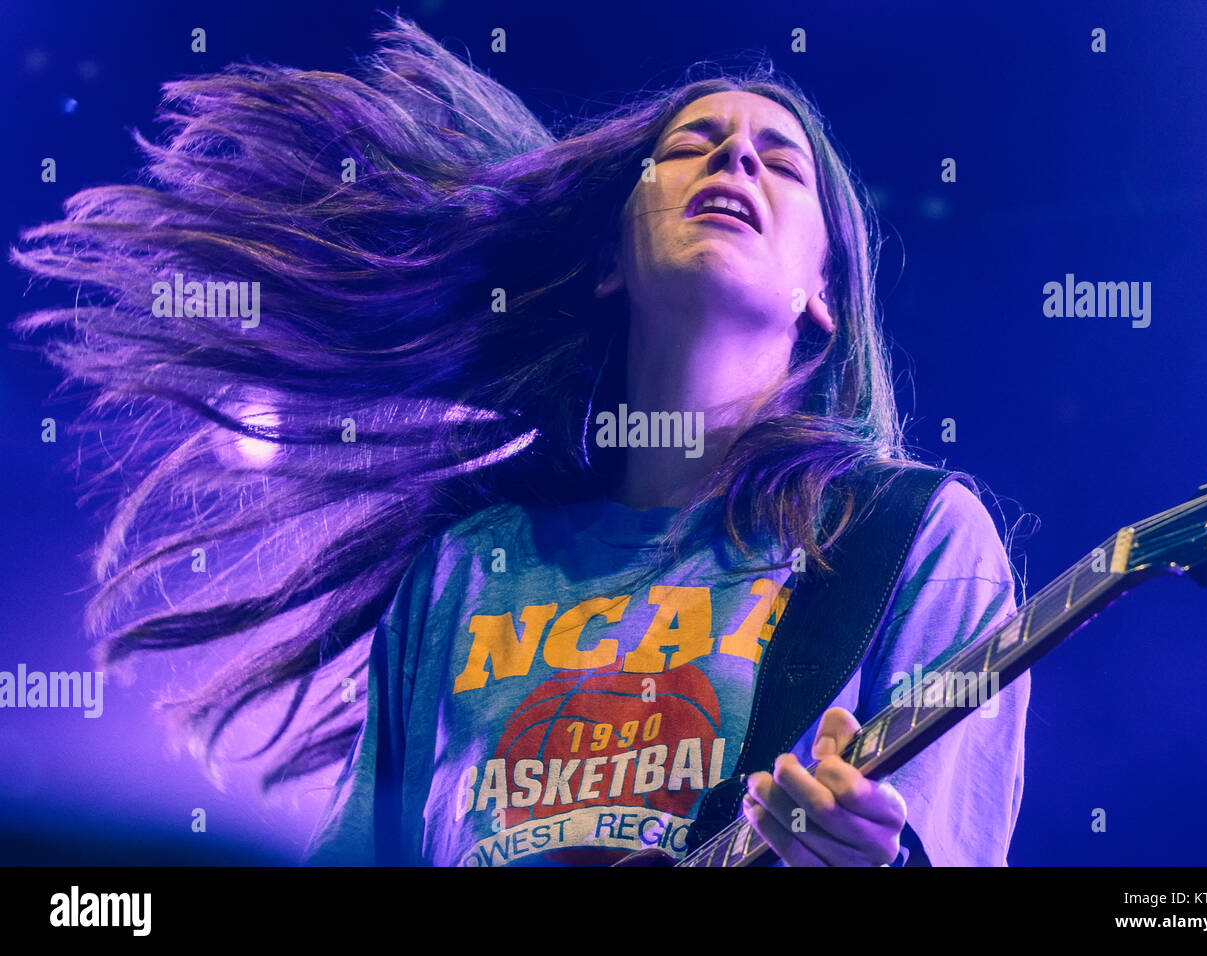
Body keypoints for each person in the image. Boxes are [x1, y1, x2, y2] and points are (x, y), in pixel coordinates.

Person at [11, 15, 1027, 867]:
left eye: (781, 160)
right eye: (689, 145)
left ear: (824, 295)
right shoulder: (463, 567)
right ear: (606, 266)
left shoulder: (911, 538)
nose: (735, 157)